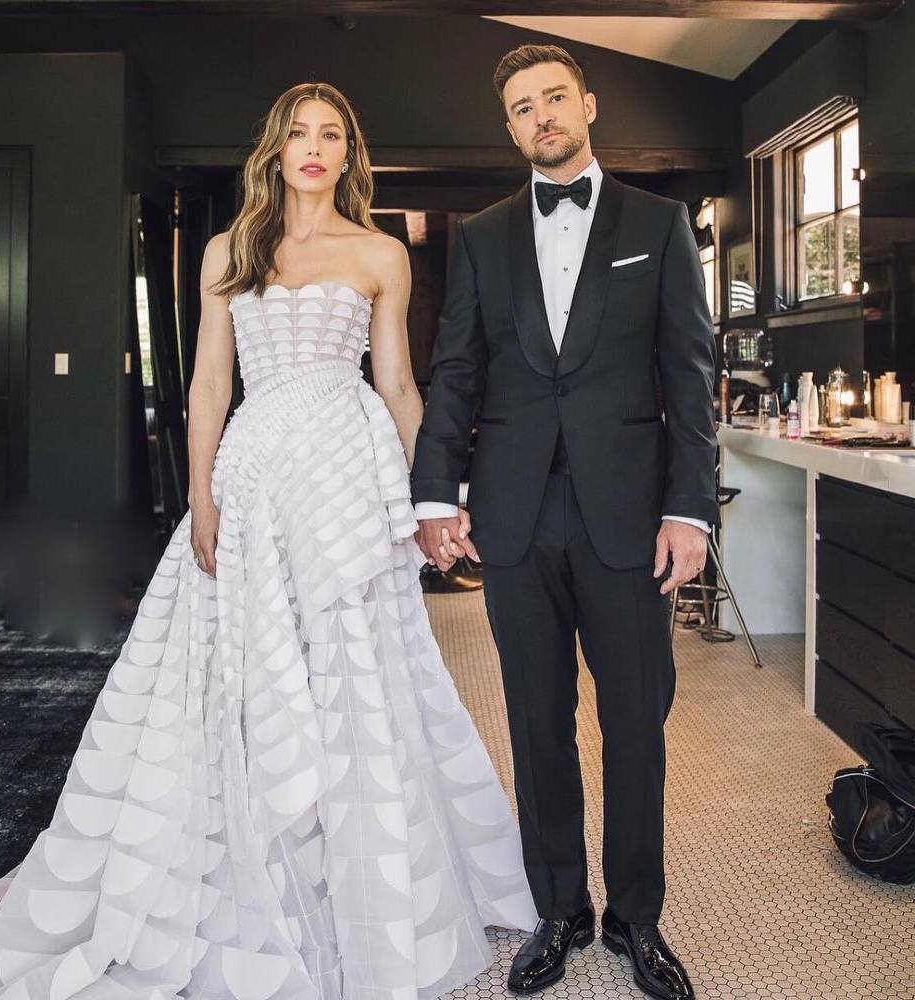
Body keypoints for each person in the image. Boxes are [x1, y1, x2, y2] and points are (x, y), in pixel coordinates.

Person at [0, 82, 540, 1000]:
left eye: (332, 134)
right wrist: (200, 499)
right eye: (300, 133)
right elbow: (210, 383)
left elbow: (400, 384)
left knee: (354, 663)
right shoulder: (231, 249)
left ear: (348, 153)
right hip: (252, 478)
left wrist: (436, 499)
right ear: (276, 150)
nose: (315, 147)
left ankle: (357, 884)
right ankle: (251, 857)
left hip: (345, 472)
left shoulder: (380, 252)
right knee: (240, 670)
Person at [410, 44, 719, 1000]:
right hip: (514, 516)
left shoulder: (659, 224)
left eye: (554, 97)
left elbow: (689, 373)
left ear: (587, 103)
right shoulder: (483, 235)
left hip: (628, 514)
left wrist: (690, 508)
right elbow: (456, 368)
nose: (541, 114)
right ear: (509, 128)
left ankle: (636, 916)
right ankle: (560, 910)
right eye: (522, 106)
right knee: (537, 723)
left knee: (636, 724)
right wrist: (434, 494)